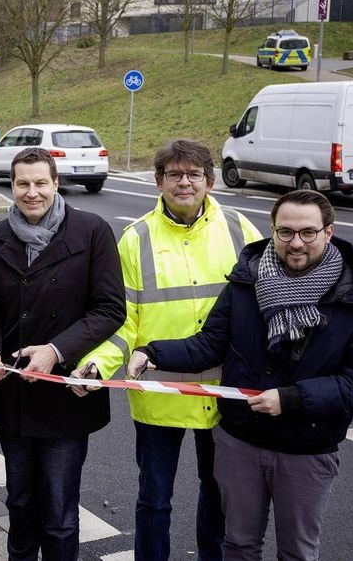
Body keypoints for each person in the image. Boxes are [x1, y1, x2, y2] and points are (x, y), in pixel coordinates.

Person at [128, 190, 353, 561]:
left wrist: (292, 399)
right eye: (285, 232)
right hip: (241, 441)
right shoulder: (245, 283)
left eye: (308, 232)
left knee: (296, 552)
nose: (295, 243)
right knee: (238, 546)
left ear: (328, 232)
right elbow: (209, 344)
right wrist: (153, 352)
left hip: (305, 447)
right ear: (272, 231)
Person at [72, 140, 261, 561]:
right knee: (154, 498)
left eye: (194, 174)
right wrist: (97, 364)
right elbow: (123, 320)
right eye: (174, 174)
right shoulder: (135, 239)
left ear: (210, 181)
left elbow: (262, 306)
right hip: (159, 394)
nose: (184, 182)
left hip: (225, 392)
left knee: (219, 495)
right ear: (158, 182)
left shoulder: (240, 229)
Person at [0, 147, 125, 561]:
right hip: (13, 392)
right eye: (23, 183)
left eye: (41, 182)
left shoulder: (92, 231)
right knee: (20, 504)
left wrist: (56, 351)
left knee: (59, 515)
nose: (32, 192)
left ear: (56, 184)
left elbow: (110, 308)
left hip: (64, 394)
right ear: (11, 186)